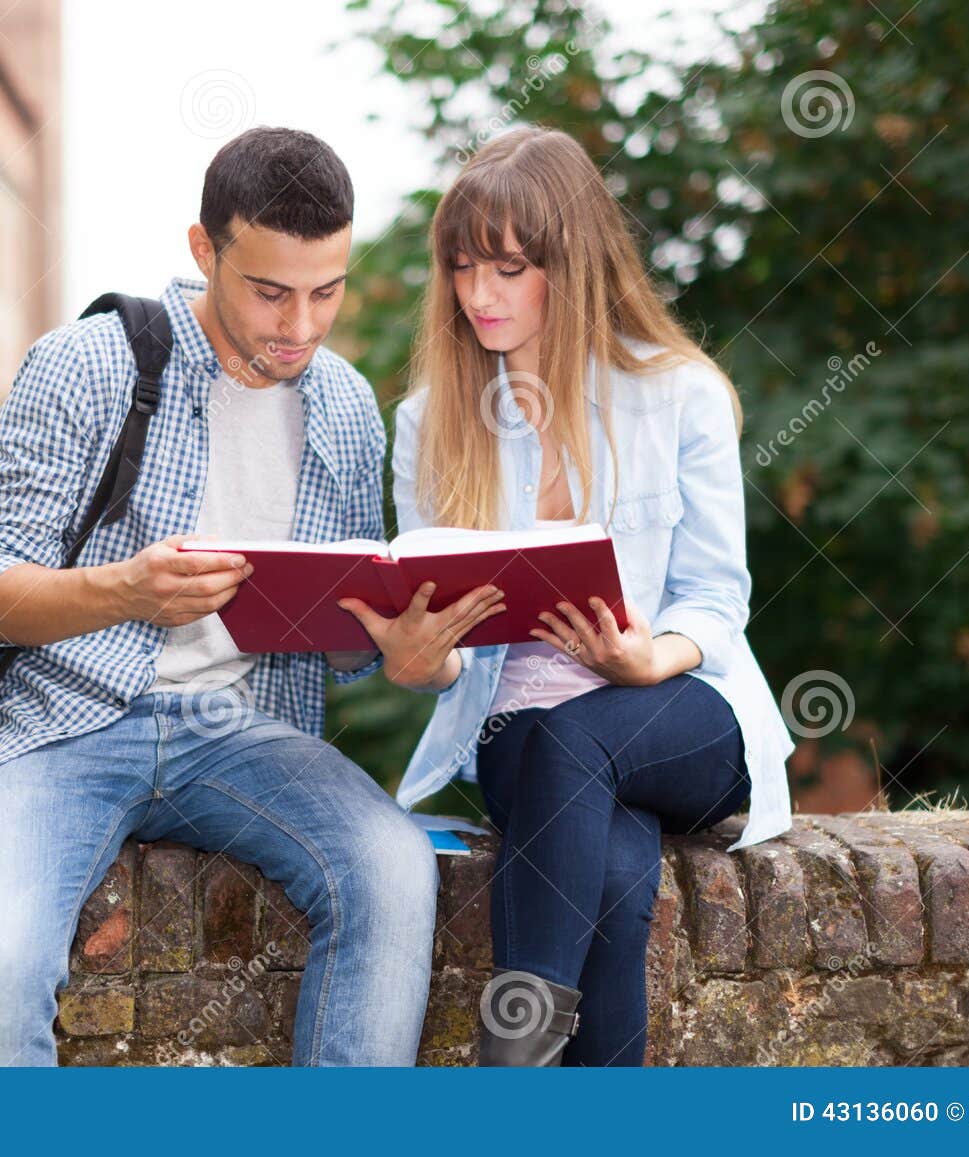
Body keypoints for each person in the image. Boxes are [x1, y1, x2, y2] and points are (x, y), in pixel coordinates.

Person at [0, 127, 471, 1067]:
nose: (300, 327)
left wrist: (399, 653)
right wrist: (124, 591)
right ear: (203, 250)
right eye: (270, 291)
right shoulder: (89, 363)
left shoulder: (345, 405)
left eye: (326, 292)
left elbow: (334, 635)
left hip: (245, 733)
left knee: (394, 869)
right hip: (63, 723)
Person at [338, 125, 796, 1066]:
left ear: (572, 261)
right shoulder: (429, 423)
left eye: (508, 269)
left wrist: (644, 657)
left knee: (577, 734)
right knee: (618, 885)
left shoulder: (680, 394)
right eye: (463, 268)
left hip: (681, 710)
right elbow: (446, 642)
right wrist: (422, 663)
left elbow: (715, 598)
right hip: (520, 734)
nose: (478, 295)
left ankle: (509, 1071)